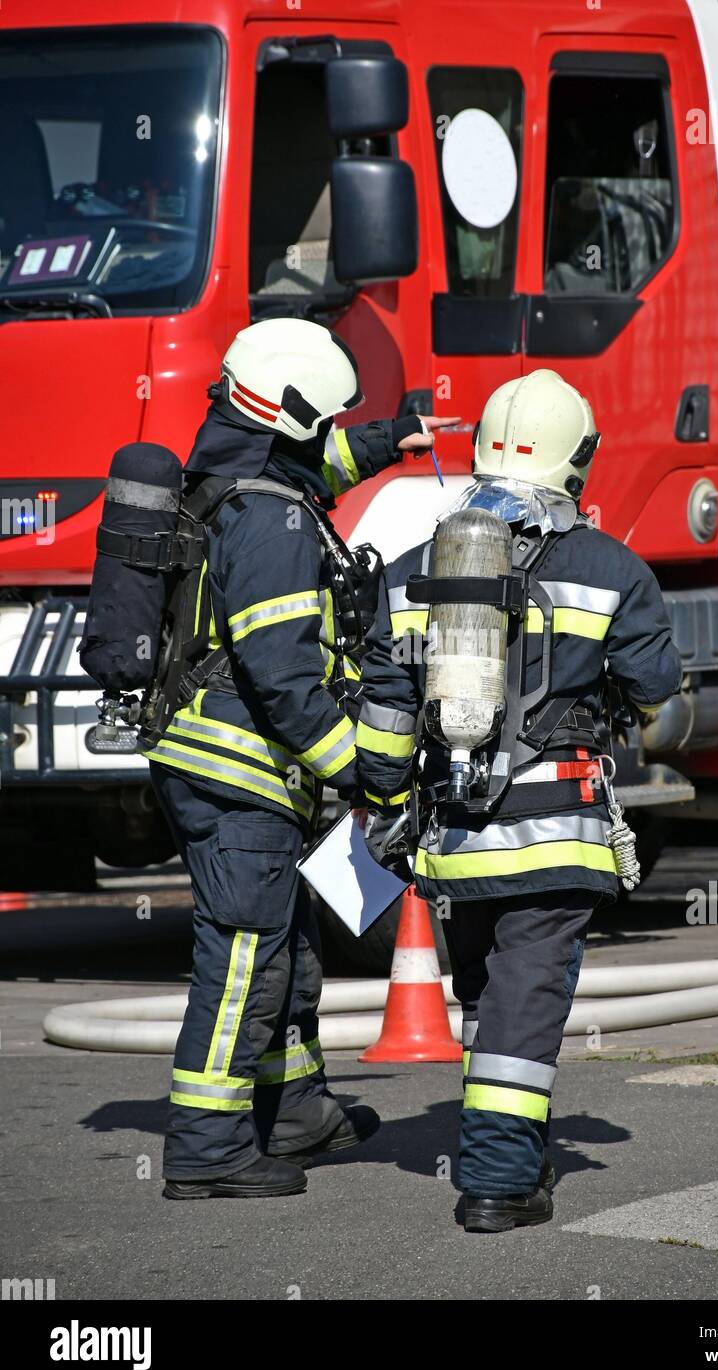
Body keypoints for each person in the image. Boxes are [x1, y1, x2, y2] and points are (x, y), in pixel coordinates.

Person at [354, 369, 681, 1232]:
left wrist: (384, 801)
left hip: (456, 838)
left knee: (490, 998)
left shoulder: (410, 570)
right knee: (522, 1004)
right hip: (559, 833)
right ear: (576, 460)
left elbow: (385, 715)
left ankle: (514, 1155)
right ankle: (498, 1183)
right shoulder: (612, 567)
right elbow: (653, 690)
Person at [146, 317, 457, 1199]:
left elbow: (317, 466)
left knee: (285, 946)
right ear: (285, 414)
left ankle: (293, 1111)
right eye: (322, 421)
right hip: (237, 771)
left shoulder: (238, 474)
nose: (328, 438)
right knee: (245, 952)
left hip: (224, 766)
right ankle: (208, 1148)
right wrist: (358, 767)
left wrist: (390, 438)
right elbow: (284, 680)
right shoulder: (273, 526)